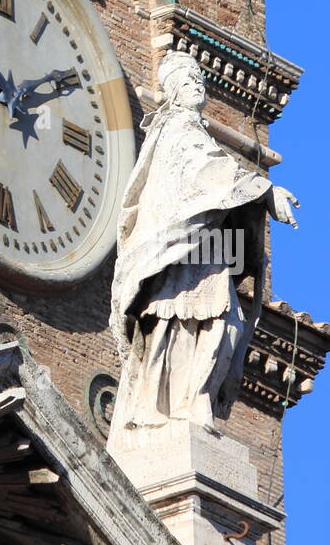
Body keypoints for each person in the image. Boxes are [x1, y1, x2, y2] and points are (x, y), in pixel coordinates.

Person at [108, 50, 299, 438]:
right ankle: (167, 404)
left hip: (205, 248)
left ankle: (193, 401)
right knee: (179, 321)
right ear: (173, 92)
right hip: (178, 254)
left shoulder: (190, 132)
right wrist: (265, 191)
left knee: (226, 325)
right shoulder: (178, 130)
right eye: (186, 81)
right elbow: (209, 171)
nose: (196, 85)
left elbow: (214, 175)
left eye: (198, 79)